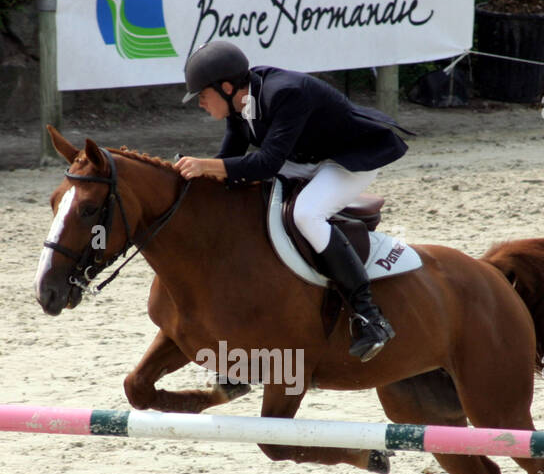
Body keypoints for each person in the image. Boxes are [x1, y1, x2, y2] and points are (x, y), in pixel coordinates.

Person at [175, 41, 409, 362]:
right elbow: (229, 160)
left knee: (306, 214)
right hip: (302, 156)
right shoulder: (242, 102)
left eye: (202, 95)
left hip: (348, 158)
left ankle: (370, 316)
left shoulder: (284, 93)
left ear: (226, 87)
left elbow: (266, 163)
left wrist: (205, 166)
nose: (199, 103)